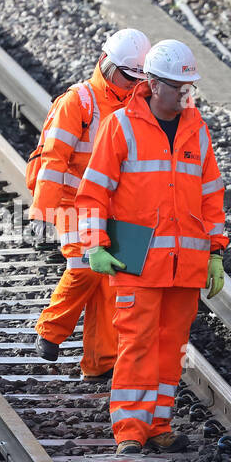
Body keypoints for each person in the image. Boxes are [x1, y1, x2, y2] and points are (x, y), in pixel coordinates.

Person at [74, 39, 227, 455]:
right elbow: (93, 195)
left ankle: (158, 425)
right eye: (179, 86)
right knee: (136, 346)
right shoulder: (120, 126)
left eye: (189, 86)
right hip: (137, 258)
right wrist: (96, 245)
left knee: (170, 348)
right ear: (154, 84)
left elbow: (211, 194)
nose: (186, 94)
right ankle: (129, 431)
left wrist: (215, 251)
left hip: (186, 263)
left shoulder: (197, 128)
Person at [31, 28, 151, 381]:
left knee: (110, 284)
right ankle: (51, 329)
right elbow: (54, 158)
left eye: (136, 80)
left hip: (114, 207)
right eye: (126, 77)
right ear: (106, 63)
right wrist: (43, 211)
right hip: (72, 202)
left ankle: (99, 365)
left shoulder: (138, 103)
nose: (130, 85)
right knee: (84, 267)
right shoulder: (78, 101)